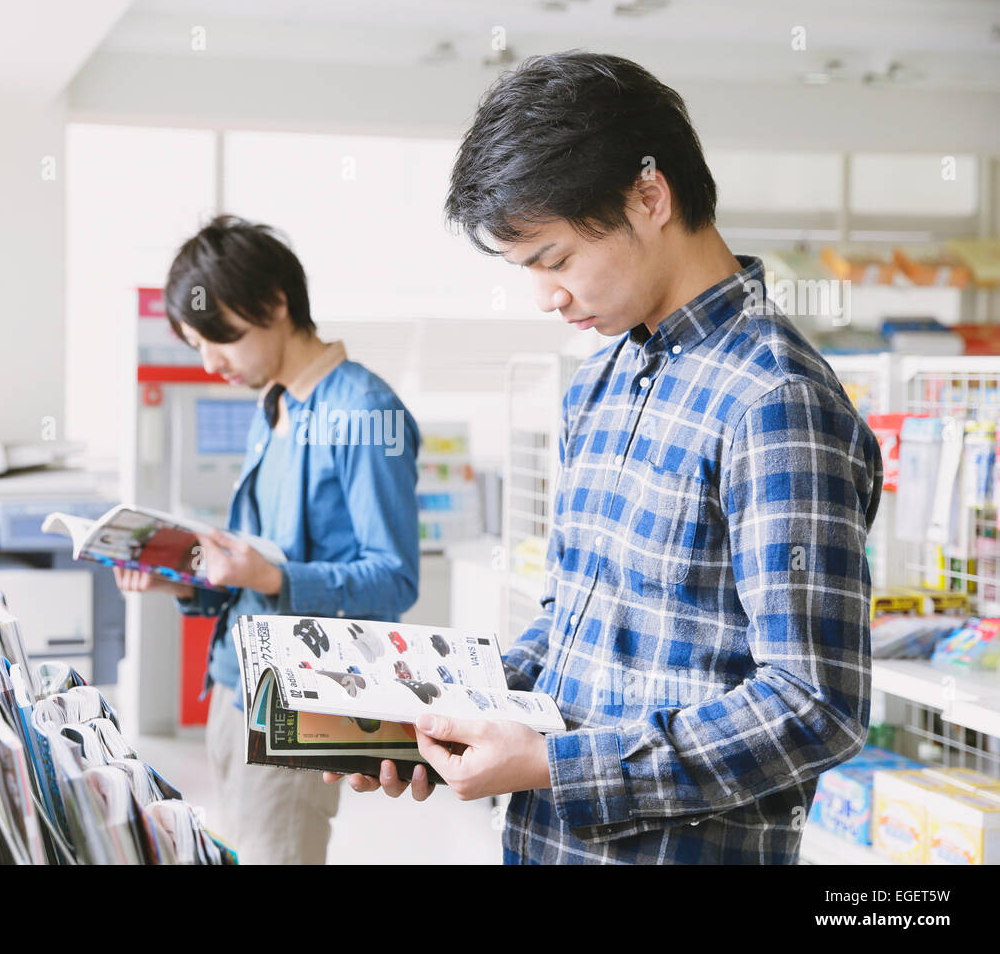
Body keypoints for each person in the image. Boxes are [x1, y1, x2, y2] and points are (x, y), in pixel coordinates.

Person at [329, 50, 883, 865]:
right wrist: (443, 715)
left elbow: (813, 704)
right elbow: (575, 623)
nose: (546, 297)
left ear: (650, 196)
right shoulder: (600, 384)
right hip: (546, 845)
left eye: (554, 261)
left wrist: (555, 764)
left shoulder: (775, 401)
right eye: (527, 270)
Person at [115, 214, 420, 864]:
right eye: (197, 343)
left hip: (297, 696)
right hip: (231, 687)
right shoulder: (274, 407)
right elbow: (260, 561)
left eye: (219, 338)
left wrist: (271, 579)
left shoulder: (365, 413)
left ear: (276, 304)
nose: (209, 362)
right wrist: (182, 576)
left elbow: (395, 579)